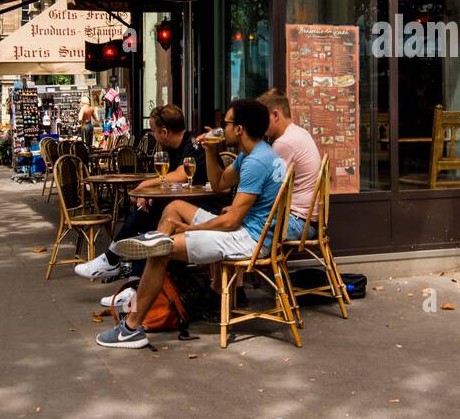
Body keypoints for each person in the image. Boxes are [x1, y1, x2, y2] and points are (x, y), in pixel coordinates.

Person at [96, 99, 285, 348]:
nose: (221, 129)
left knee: (160, 250)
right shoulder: (251, 154)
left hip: (251, 239)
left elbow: (230, 221)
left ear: (239, 129)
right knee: (174, 207)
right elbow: (219, 185)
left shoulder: (255, 162)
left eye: (225, 124)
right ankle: (153, 272)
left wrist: (190, 230)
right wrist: (209, 150)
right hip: (248, 230)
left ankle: (131, 327)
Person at [75, 103, 207, 285]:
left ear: (165, 132)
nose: (152, 135)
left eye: (153, 131)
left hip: (206, 206)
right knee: (146, 210)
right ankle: (133, 278)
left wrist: (145, 186)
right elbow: (171, 180)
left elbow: (181, 175)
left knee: (149, 214)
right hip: (185, 204)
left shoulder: (193, 144)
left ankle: (116, 262)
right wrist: (150, 193)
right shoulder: (171, 148)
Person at [258, 88, 321, 239]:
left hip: (297, 223)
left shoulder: (284, 143)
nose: (260, 124)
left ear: (275, 115)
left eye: (262, 118)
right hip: (309, 220)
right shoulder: (299, 132)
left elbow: (272, 190)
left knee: (243, 223)